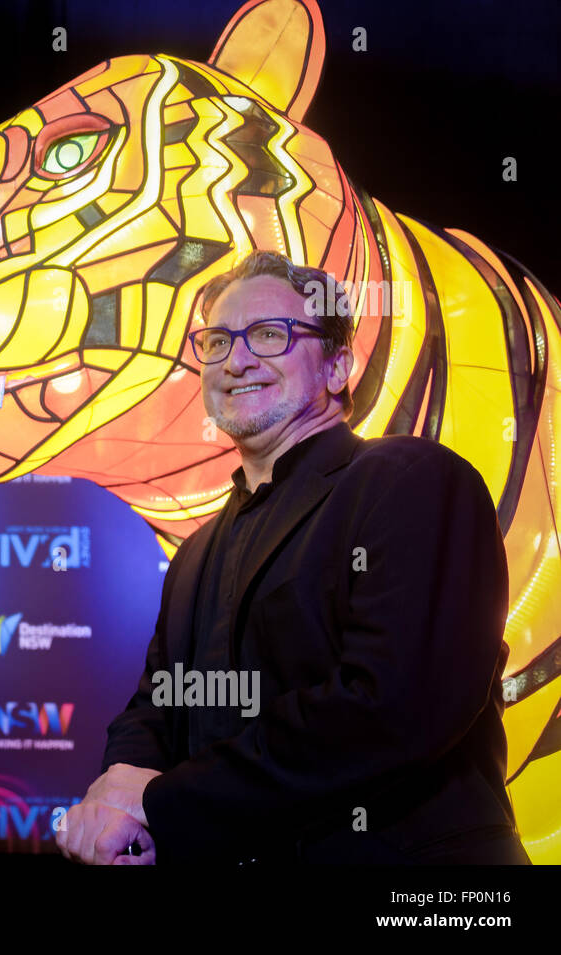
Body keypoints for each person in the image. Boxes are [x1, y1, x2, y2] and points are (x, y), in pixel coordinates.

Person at [56, 250, 529, 865]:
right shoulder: (196, 552)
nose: (238, 359)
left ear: (337, 366)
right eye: (217, 341)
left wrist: (167, 802)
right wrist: (118, 788)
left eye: (270, 335)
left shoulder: (412, 479)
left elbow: (392, 706)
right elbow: (162, 703)